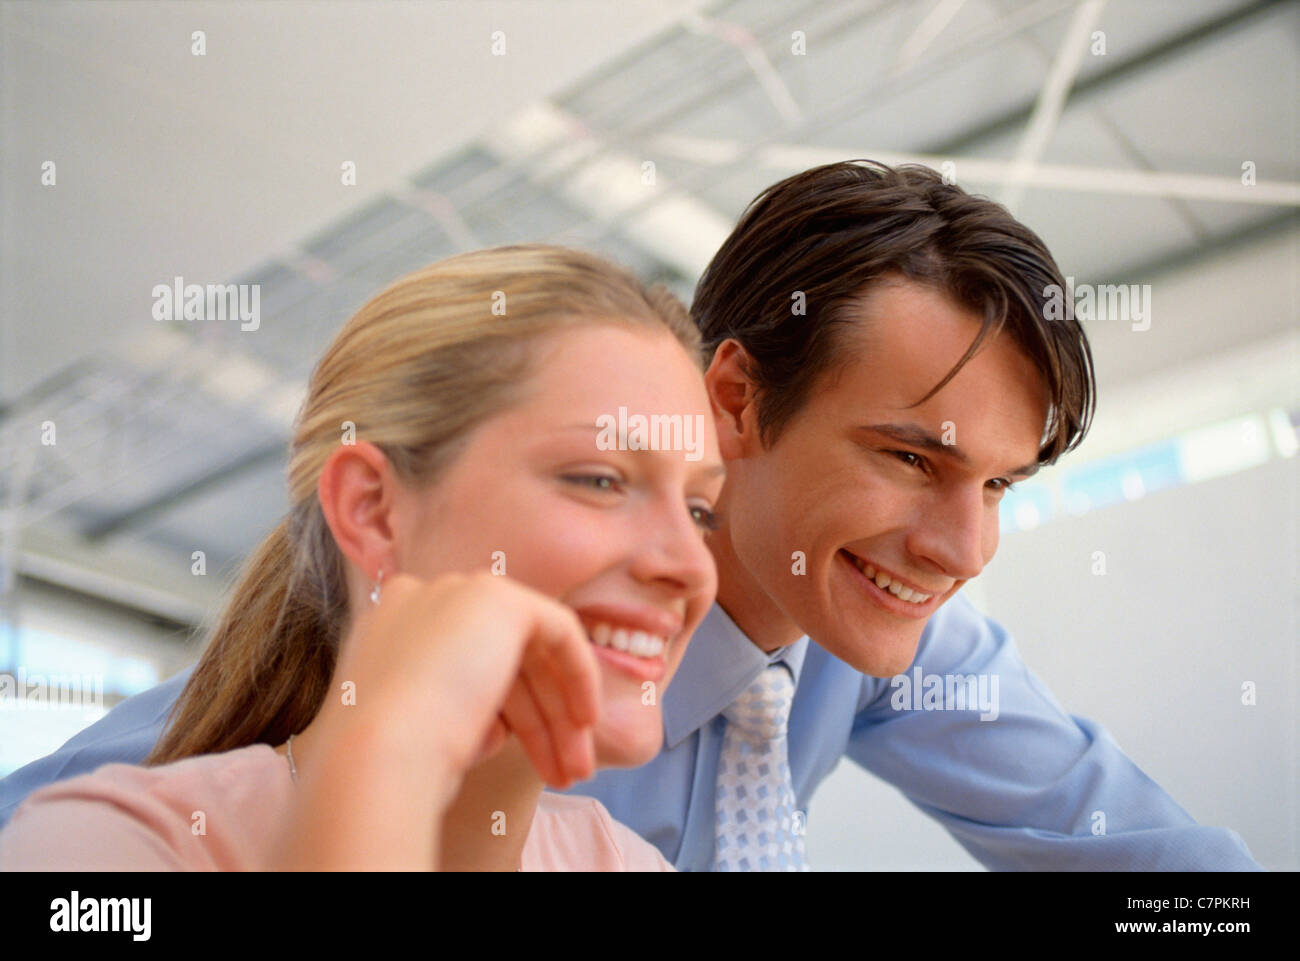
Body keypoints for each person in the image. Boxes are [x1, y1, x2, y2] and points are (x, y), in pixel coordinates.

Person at [0, 161, 1263, 872]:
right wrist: (384, 751)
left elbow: (1145, 858)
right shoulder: (146, 825)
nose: (963, 546)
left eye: (998, 485)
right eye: (906, 456)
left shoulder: (616, 838)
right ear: (732, 403)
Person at [0, 244, 725, 871]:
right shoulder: (96, 847)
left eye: (699, 510)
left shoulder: (624, 863)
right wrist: (386, 747)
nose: (689, 565)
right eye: (600, 479)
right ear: (373, 510)